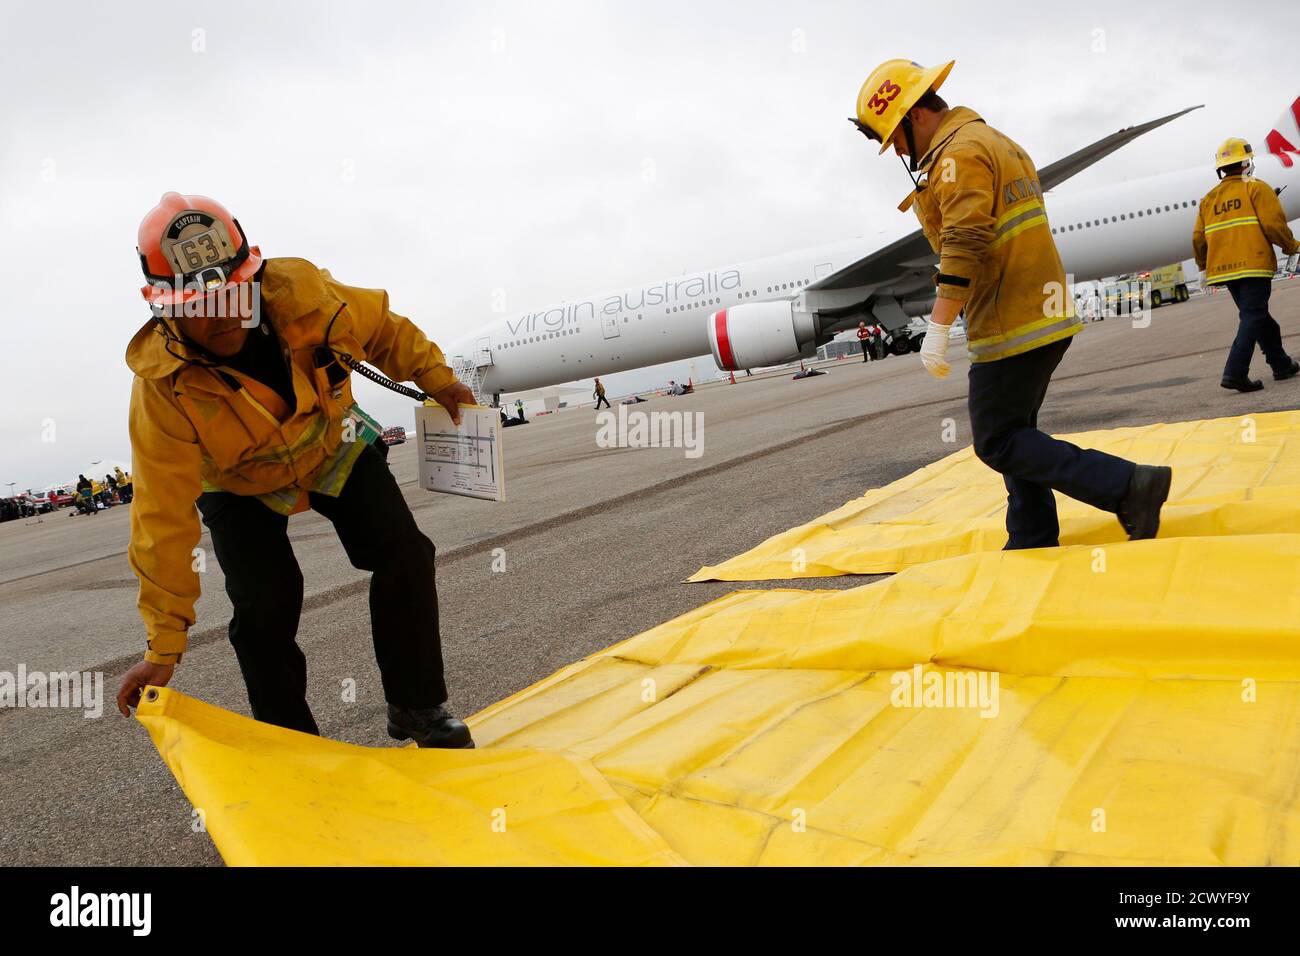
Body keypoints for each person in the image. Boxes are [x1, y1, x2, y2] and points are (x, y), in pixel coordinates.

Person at [115, 192, 475, 748]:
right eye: (196, 305)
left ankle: (416, 707)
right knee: (265, 604)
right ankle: (293, 748)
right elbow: (160, 514)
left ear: (253, 278)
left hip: (329, 439)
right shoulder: (162, 388)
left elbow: (382, 328)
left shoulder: (307, 298)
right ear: (164, 306)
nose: (221, 316)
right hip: (237, 481)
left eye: (232, 294)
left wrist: (437, 377)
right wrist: (163, 649)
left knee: (404, 552)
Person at [851, 58, 1171, 549]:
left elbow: (965, 239)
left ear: (915, 116)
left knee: (997, 441)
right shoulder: (997, 141)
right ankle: (1032, 533)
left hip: (1011, 317)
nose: (895, 149)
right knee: (1016, 431)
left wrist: (938, 326)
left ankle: (1130, 486)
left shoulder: (957, 155)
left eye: (893, 136)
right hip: (1040, 308)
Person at [1191, 138, 1300, 392]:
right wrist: (1292, 247)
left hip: (1224, 271)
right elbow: (1273, 225)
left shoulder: (1209, 199)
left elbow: (1197, 238)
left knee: (1261, 319)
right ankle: (1235, 372)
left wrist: (1202, 267)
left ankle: (1281, 364)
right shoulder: (1256, 188)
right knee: (1253, 317)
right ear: (1246, 162)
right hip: (1253, 265)